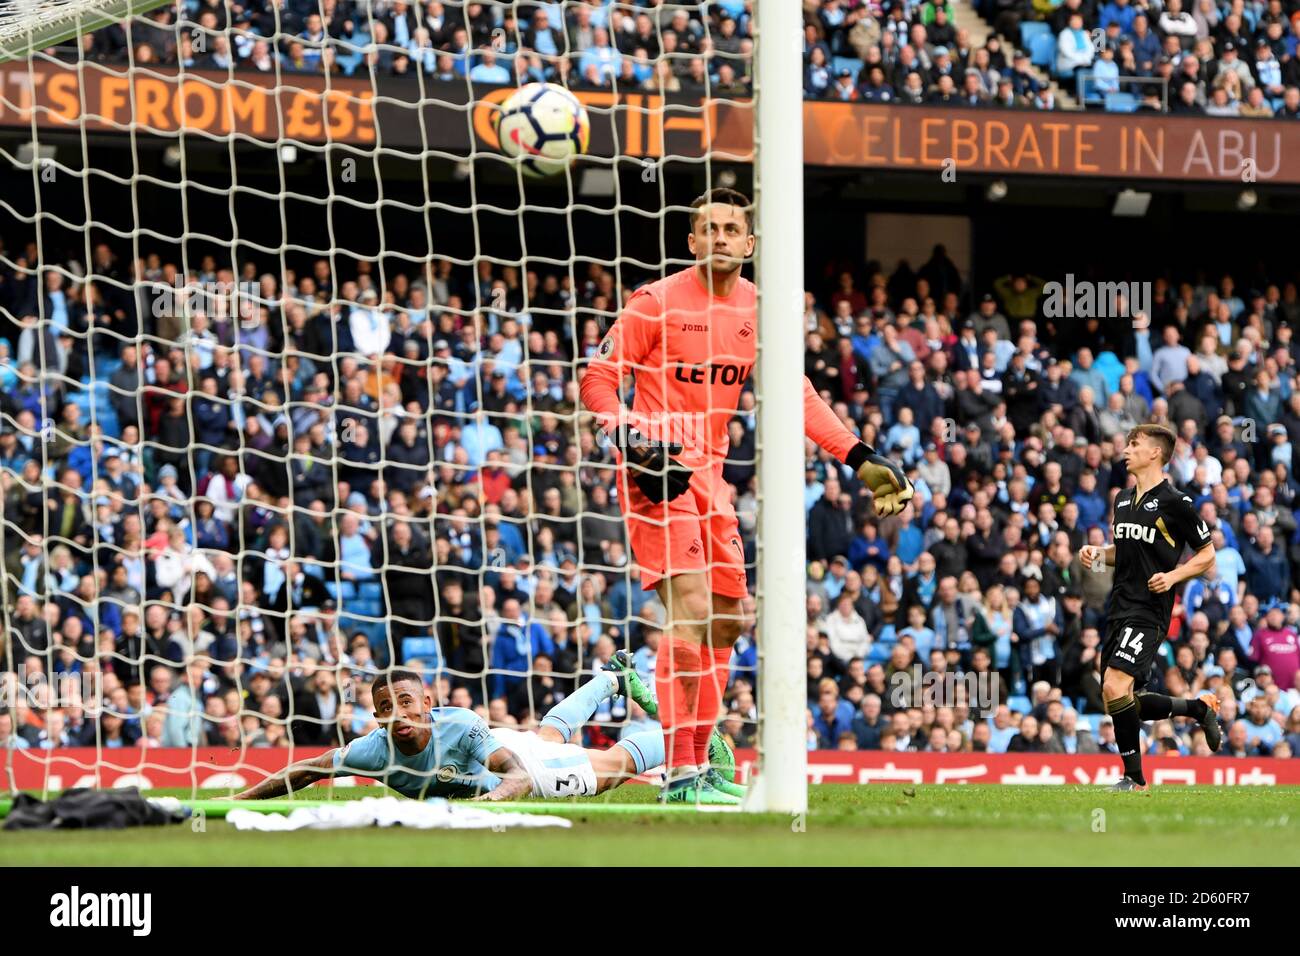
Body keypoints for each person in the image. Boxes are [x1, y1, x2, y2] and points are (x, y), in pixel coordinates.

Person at [579, 188, 913, 804]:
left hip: (712, 476)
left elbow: (797, 391)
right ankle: (678, 773)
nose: (722, 238)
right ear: (692, 240)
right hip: (658, 470)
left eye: (733, 228)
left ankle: (699, 765)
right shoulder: (654, 302)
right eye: (709, 228)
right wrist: (630, 437)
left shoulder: (760, 308)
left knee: (730, 622)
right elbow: (599, 378)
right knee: (693, 611)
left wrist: (859, 457)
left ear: (750, 242)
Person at [232, 668, 666, 802]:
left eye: (405, 701)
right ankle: (611, 679)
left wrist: (485, 806)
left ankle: (690, 740)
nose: (397, 713)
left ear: (427, 703)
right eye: (385, 707)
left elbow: (519, 777)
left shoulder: (459, 723)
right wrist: (237, 800)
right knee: (547, 737)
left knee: (610, 772)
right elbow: (309, 769)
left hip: (516, 768)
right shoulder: (371, 750)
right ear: (376, 716)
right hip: (501, 753)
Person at [1078, 424, 1220, 791]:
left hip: (1150, 610)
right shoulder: (1122, 499)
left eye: (1134, 444)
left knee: (1113, 685)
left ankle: (1133, 778)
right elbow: (1122, 554)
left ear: (1155, 453)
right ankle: (1198, 709)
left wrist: (1173, 577)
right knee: (1125, 700)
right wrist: (1096, 557)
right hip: (1118, 607)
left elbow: (1207, 555)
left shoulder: (1176, 503)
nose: (1126, 450)